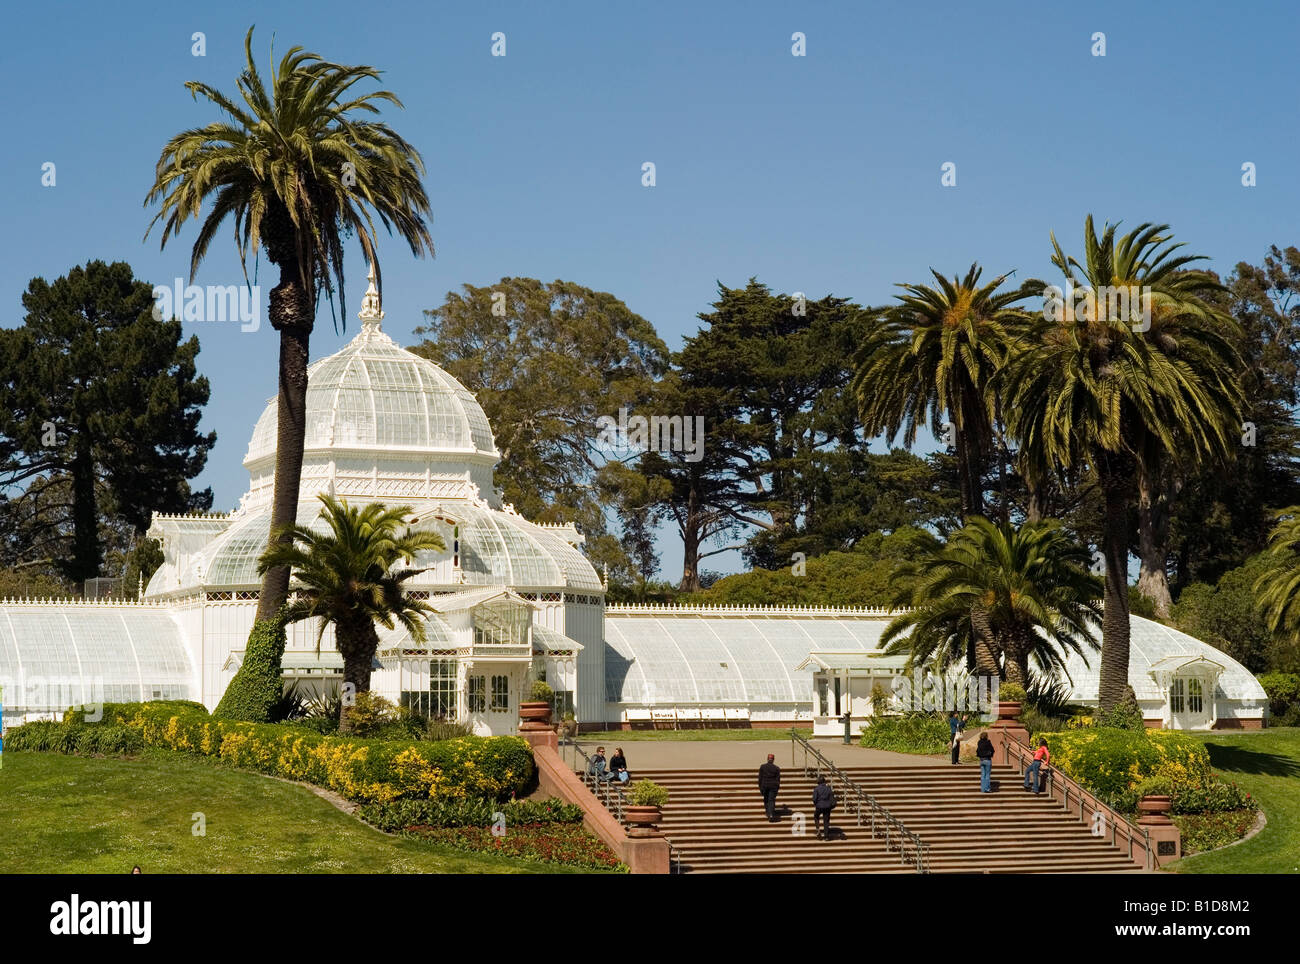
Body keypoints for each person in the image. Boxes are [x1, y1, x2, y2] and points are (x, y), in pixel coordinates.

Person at [758, 753, 781, 822]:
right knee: (771, 800)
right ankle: (771, 813)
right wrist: (777, 789)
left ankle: (768, 813)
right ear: (773, 760)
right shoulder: (777, 768)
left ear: (767, 759)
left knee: (766, 799)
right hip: (773, 786)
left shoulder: (762, 767)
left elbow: (760, 778)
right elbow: (778, 780)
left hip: (764, 786)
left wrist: (760, 787)